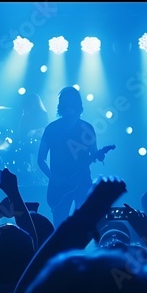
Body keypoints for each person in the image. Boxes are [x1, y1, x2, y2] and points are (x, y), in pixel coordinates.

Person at [37, 86, 105, 227]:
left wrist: (99, 155)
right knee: (60, 226)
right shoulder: (52, 129)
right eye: (66, 105)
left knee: (83, 224)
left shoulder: (87, 128)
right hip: (60, 184)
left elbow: (94, 154)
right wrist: (54, 178)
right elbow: (40, 159)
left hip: (82, 182)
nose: (70, 110)